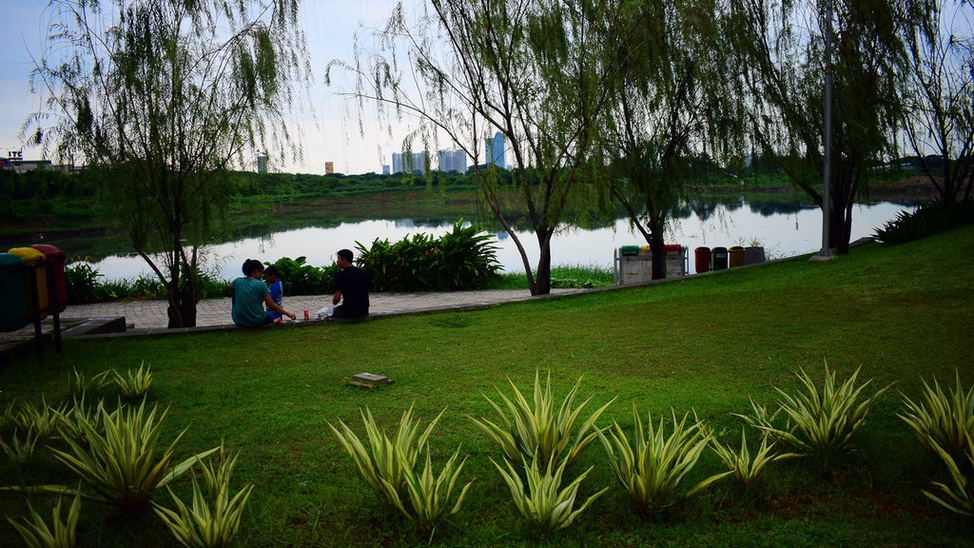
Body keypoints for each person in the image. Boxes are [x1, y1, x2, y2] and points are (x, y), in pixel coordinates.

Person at [232, 259, 296, 327]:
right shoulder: (261, 284)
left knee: (234, 293)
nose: (262, 276)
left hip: (238, 320)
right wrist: (288, 313)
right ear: (256, 271)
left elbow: (230, 287)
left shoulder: (237, 281)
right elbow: (271, 305)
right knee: (270, 315)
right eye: (261, 273)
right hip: (256, 320)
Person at [332, 249, 370, 319]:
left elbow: (336, 299)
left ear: (344, 260)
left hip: (349, 312)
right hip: (364, 311)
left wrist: (333, 302)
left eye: (338, 259)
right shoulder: (363, 273)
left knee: (331, 311)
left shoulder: (340, 275)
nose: (337, 261)